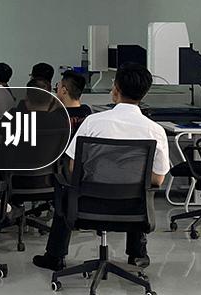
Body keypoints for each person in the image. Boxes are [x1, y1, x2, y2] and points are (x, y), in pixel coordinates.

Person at [32, 64, 171, 272]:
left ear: (116, 89)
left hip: (87, 207)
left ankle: (55, 257)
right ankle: (137, 255)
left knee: (65, 186)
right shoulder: (155, 130)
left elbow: (73, 168)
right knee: (139, 186)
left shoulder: (93, 122)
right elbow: (158, 179)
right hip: (133, 212)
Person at [55, 70, 92, 136]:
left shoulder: (57, 114)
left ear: (64, 90)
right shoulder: (87, 111)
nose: (56, 89)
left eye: (58, 86)